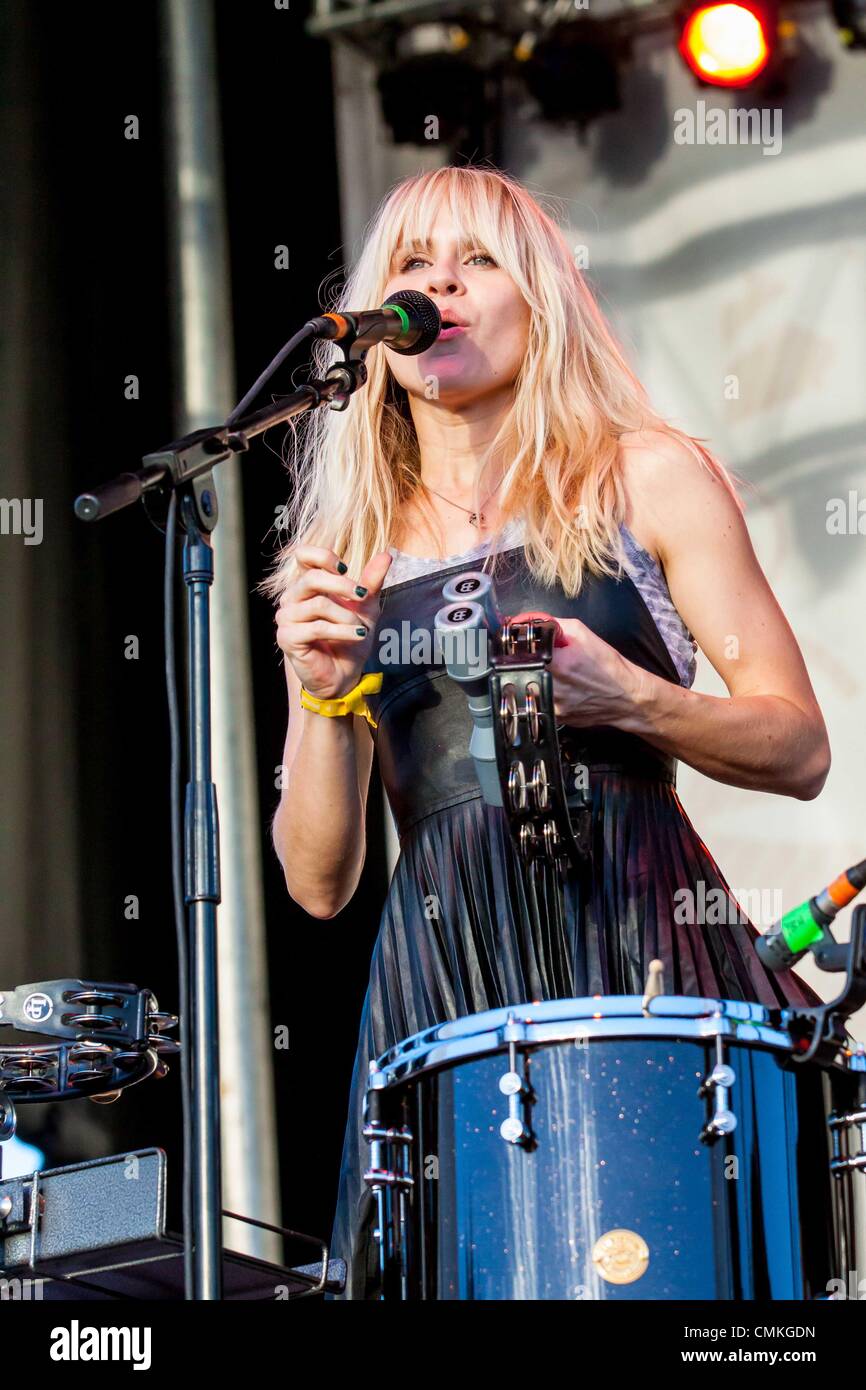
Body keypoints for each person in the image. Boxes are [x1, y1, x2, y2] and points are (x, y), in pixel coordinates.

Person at [260, 165, 831, 1300]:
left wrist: (633, 699)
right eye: (412, 267)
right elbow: (319, 881)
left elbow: (797, 746)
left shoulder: (644, 477)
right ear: (373, 330)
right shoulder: (346, 546)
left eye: (475, 262)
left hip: (643, 942)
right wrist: (321, 692)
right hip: (445, 975)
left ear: (542, 300)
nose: (438, 288)